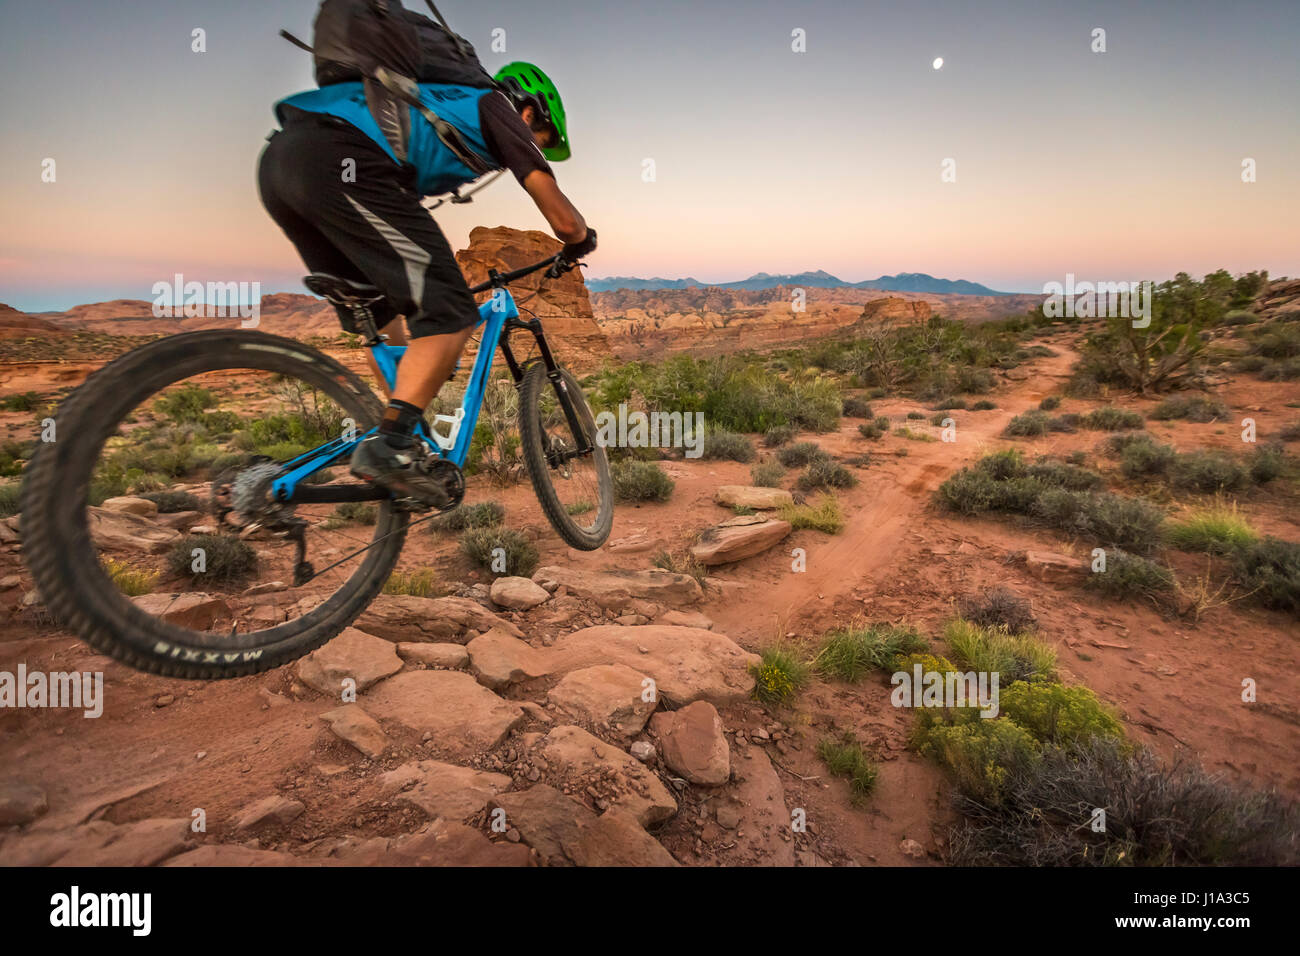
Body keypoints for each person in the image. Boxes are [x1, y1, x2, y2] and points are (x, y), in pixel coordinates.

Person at [257, 61, 595, 504]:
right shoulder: (496, 107)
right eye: (540, 139)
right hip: (341, 159)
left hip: (283, 164)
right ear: (529, 112)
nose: (533, 145)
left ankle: (401, 441)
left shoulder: (432, 112)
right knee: (452, 314)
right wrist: (579, 240)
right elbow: (562, 218)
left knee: (384, 321)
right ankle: (391, 443)